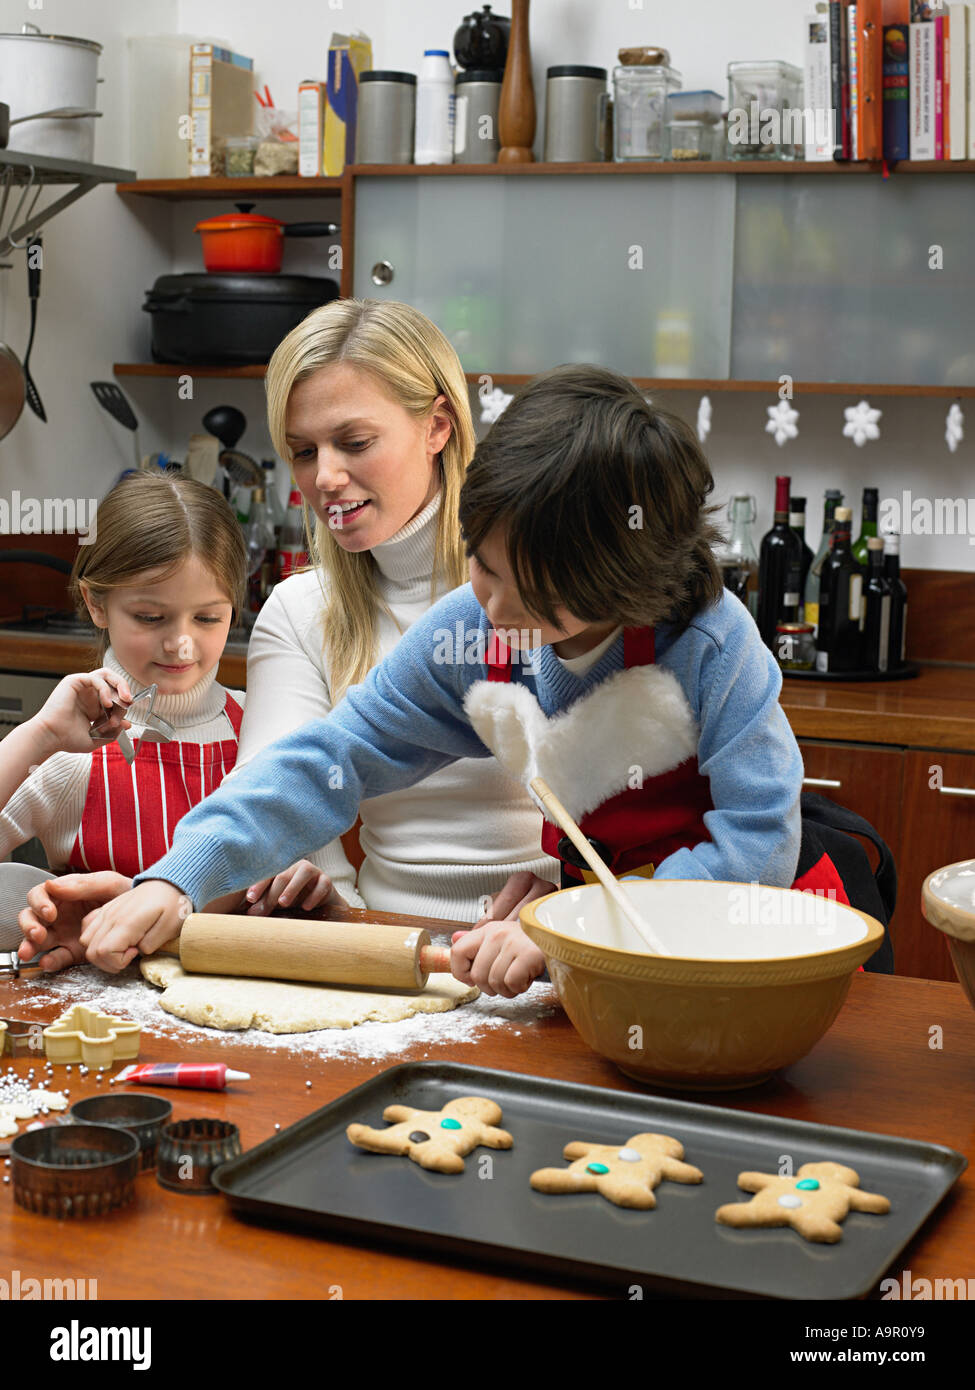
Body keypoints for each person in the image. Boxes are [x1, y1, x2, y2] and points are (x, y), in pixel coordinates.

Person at [31, 365, 843, 995]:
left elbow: (757, 846)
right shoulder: (470, 629)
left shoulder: (709, 643)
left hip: (743, 952)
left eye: (531, 599)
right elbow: (332, 759)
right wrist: (182, 875)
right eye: (483, 568)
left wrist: (582, 921)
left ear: (620, 595)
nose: (490, 610)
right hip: (598, 955)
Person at [3, 472, 335, 957]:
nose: (181, 643)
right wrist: (39, 735)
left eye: (207, 618)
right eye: (150, 617)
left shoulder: (266, 727)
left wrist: (314, 890)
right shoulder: (73, 752)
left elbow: (334, 891)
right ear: (97, 603)